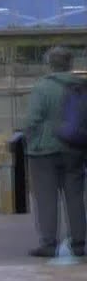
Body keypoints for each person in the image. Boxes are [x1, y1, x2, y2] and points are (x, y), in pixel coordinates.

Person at [24, 46, 87, 257]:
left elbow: (32, 119)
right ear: (70, 64)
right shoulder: (81, 86)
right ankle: (79, 242)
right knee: (76, 196)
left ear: (50, 64)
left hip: (44, 151)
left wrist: (31, 141)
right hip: (75, 148)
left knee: (46, 198)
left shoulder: (43, 87)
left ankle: (49, 243)